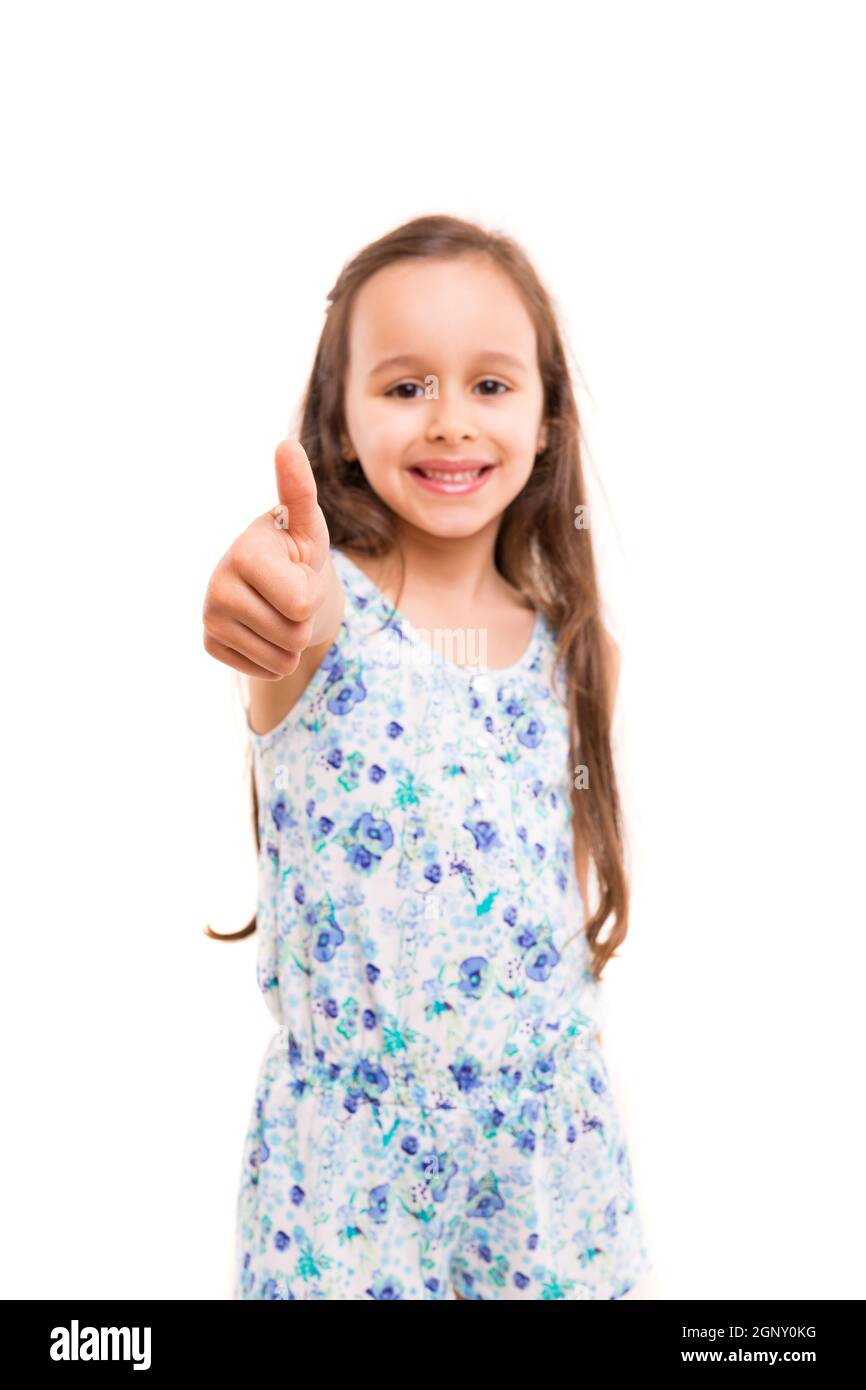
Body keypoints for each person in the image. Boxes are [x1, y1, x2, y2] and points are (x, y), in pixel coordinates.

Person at [201, 214, 655, 1301]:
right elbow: (272, 603)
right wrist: (260, 593)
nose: (448, 420)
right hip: (345, 1185)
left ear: (545, 419)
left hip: (548, 1169)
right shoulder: (321, 615)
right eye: (405, 387)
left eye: (489, 385)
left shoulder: (571, 649)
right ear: (341, 422)